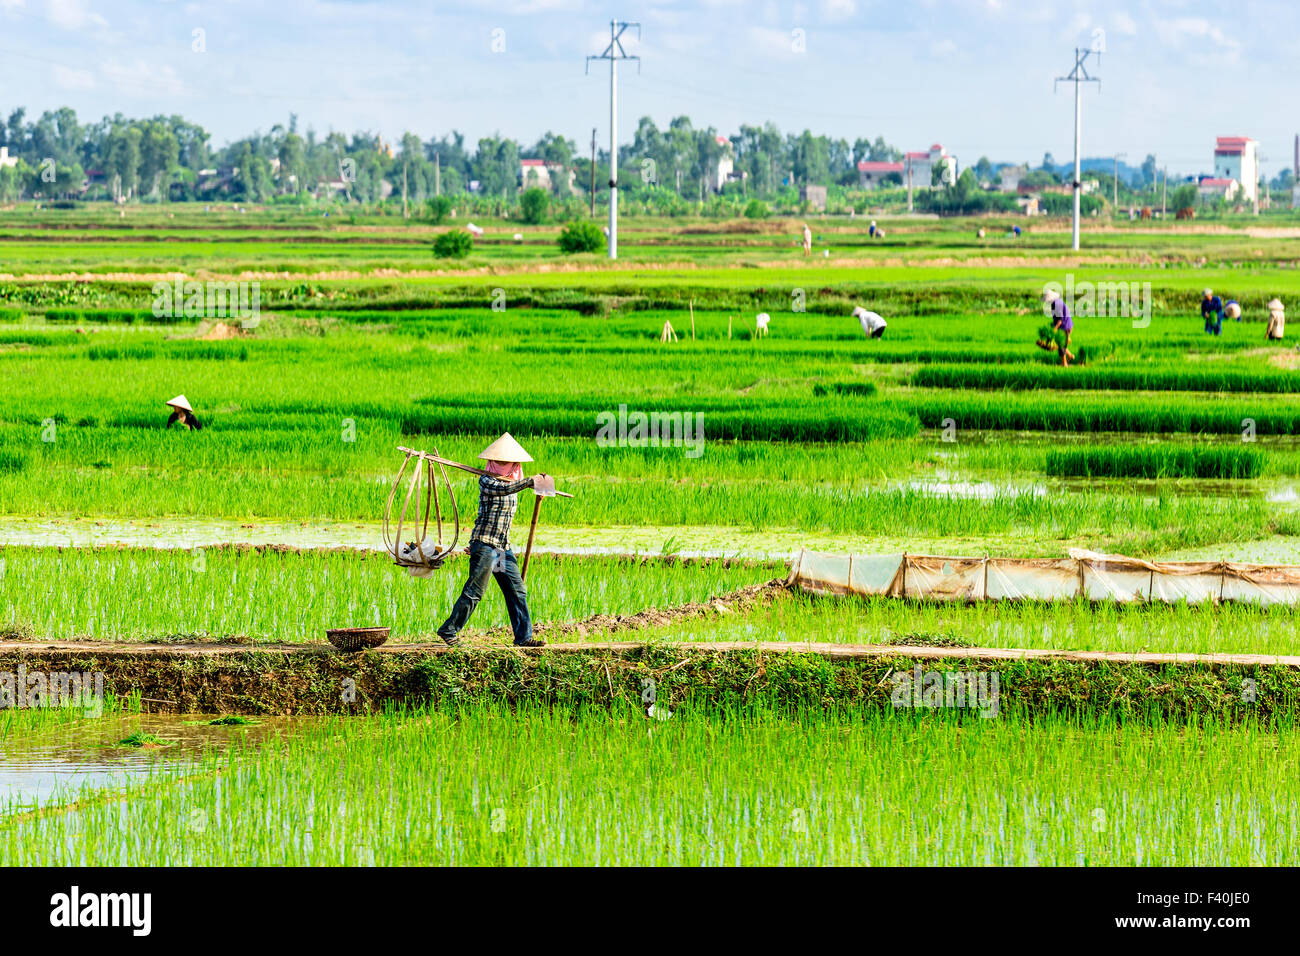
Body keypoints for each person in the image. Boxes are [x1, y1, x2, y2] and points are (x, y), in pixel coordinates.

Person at [438, 433, 548, 648]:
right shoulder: (487, 480)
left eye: (506, 462)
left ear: (515, 464)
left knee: (517, 590)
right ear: (491, 462)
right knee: (475, 591)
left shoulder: (514, 482)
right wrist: (529, 482)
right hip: (486, 545)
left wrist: (538, 489)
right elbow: (502, 489)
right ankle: (449, 630)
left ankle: (523, 637)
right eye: (498, 461)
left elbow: (513, 488)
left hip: (501, 549)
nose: (502, 465)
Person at [1042, 290, 1074, 366]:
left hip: (1065, 326)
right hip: (1066, 325)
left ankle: (1064, 364)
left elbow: (1060, 319)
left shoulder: (1056, 304)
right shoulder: (1057, 302)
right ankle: (1070, 356)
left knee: (1061, 345)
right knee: (1062, 344)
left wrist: (1055, 328)